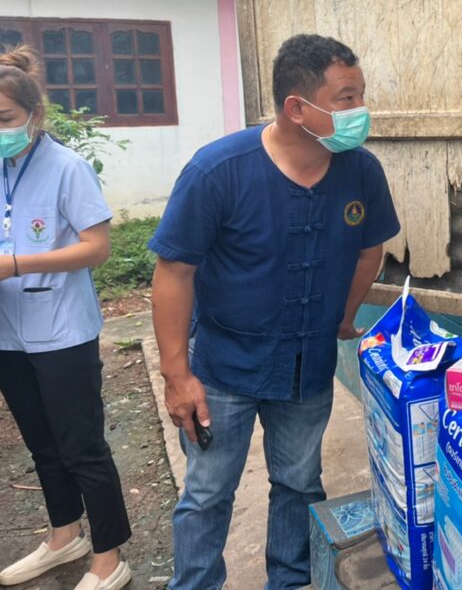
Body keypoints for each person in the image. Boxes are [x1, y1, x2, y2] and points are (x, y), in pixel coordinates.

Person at [150, 34, 400, 589]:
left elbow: (369, 249)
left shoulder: (360, 170)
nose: (361, 111)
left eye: (361, 95)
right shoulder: (218, 171)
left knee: (299, 483)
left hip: (307, 367)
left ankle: (289, 582)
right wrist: (176, 374)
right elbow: (174, 273)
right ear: (297, 107)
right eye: (346, 98)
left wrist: (344, 314)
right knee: (209, 493)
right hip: (223, 368)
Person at [0, 47, 132, 590]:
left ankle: (109, 556)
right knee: (42, 443)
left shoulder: (67, 168)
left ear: (34, 114)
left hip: (62, 330)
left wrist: (14, 263)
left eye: (5, 120)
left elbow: (96, 248)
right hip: (8, 332)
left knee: (82, 446)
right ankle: (64, 535)